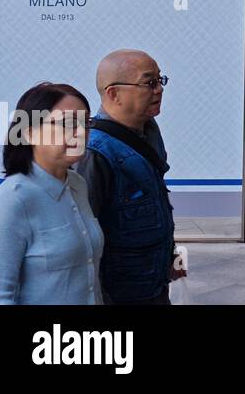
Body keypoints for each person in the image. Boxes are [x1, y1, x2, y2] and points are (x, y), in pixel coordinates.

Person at [74, 49, 184, 304]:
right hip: (119, 296)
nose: (159, 90)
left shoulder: (148, 133)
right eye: (149, 83)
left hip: (153, 288)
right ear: (114, 93)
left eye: (160, 80)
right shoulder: (94, 152)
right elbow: (84, 236)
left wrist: (170, 257)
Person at [0, 83, 103, 304]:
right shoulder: (15, 195)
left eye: (85, 123)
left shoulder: (77, 184)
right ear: (30, 132)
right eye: (67, 124)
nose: (80, 133)